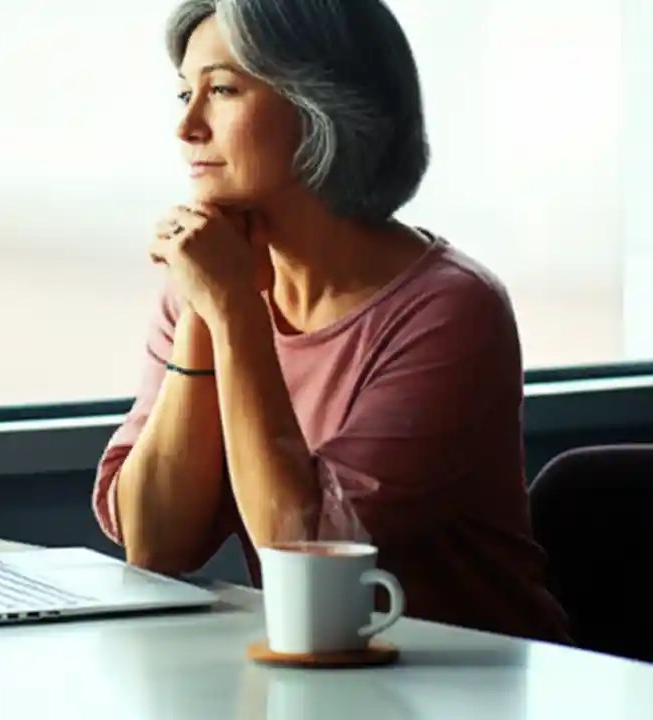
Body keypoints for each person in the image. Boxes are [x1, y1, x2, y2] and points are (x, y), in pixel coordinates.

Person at [92, 0, 571, 643]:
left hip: (465, 691)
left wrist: (233, 310)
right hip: (322, 686)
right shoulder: (209, 280)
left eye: (223, 90)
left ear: (323, 107)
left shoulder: (451, 309)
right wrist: (209, 308)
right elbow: (155, 545)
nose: (186, 127)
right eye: (184, 93)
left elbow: (307, 553)